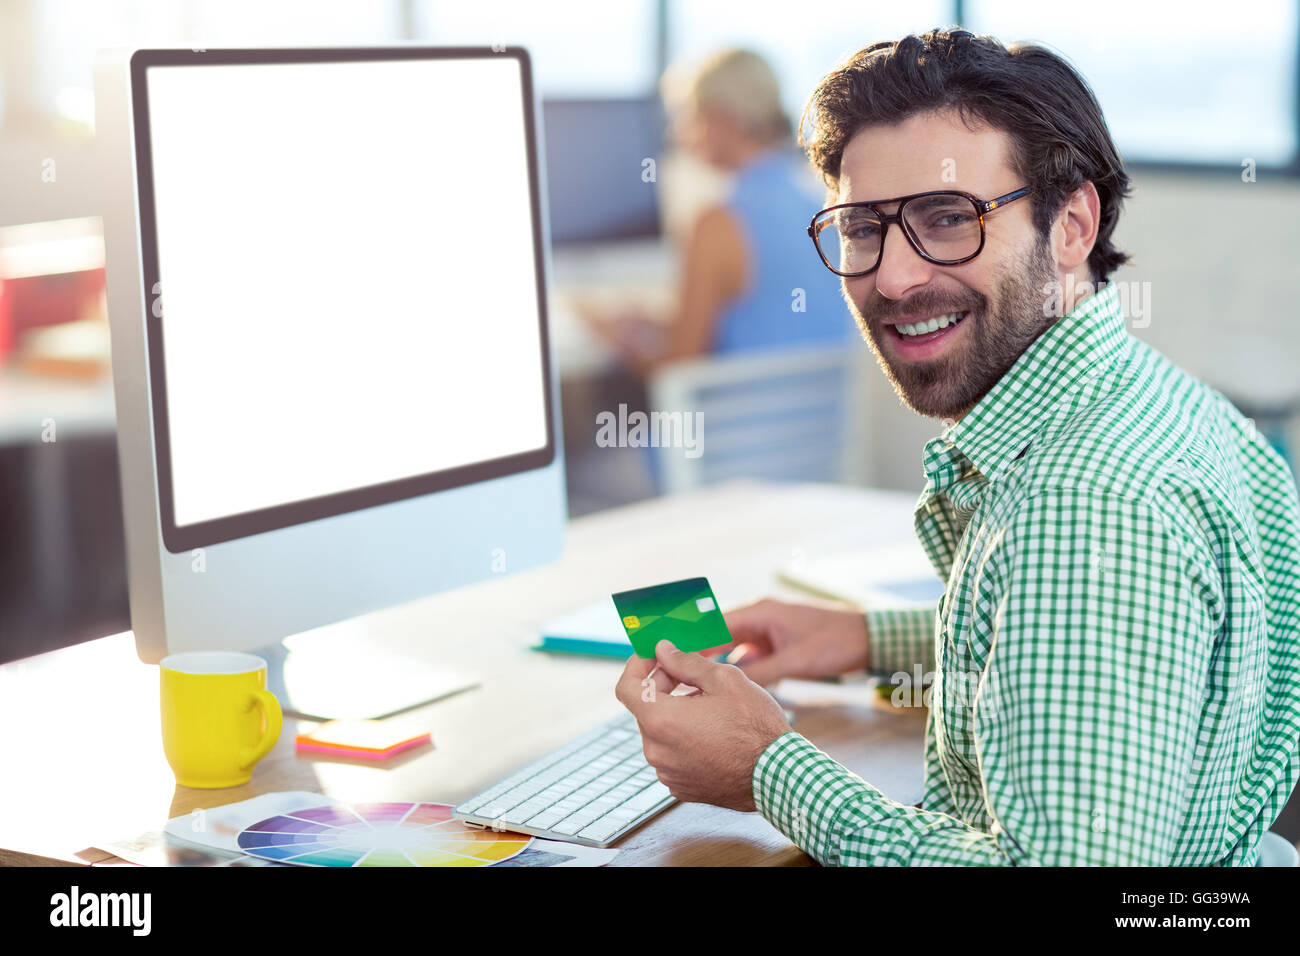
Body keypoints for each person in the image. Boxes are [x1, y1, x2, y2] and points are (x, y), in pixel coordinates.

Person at [614, 28, 1300, 865]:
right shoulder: (1155, 403)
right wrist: (874, 640)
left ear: (1073, 224)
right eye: (864, 229)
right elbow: (1102, 655)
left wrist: (768, 768)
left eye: (949, 218)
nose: (895, 278)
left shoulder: (1083, 508)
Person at [581, 48, 852, 378]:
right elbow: (775, 316)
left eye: (687, 116)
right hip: (823, 427)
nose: (677, 134)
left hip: (734, 427)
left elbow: (678, 368)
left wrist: (617, 338)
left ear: (723, 119)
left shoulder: (717, 223)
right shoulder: (825, 210)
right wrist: (662, 323)